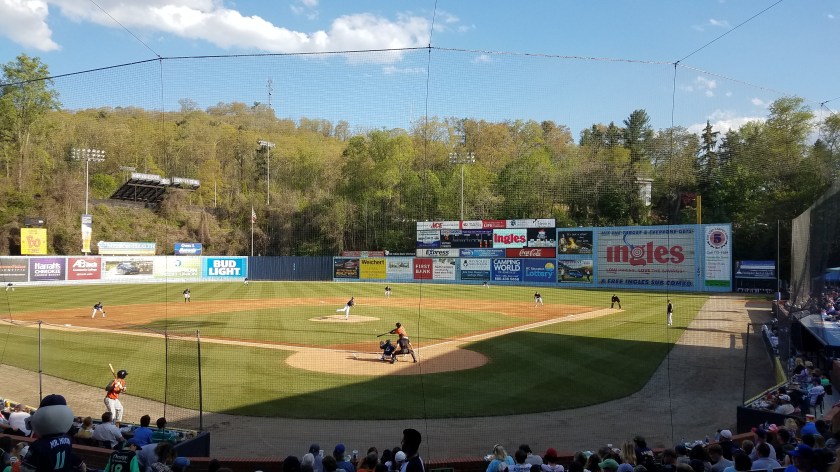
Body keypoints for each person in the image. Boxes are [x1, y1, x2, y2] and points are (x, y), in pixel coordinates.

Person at [21, 395, 86, 472]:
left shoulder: (38, 446)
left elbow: (26, 469)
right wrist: (79, 462)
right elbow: (68, 455)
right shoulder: (68, 439)